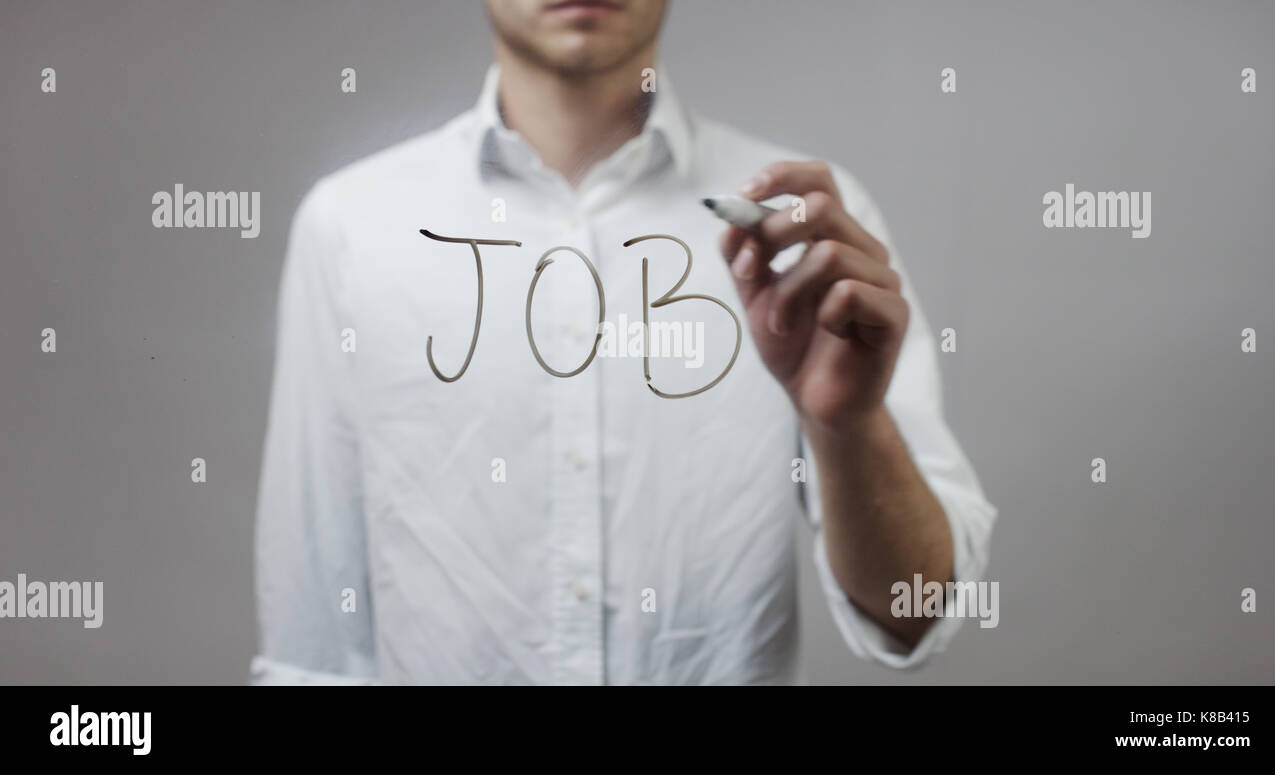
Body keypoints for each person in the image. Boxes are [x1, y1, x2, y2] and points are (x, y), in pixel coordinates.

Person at [252, 0, 997, 684]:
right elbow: (311, 649)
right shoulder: (354, 228)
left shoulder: (803, 229)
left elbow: (919, 609)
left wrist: (849, 427)